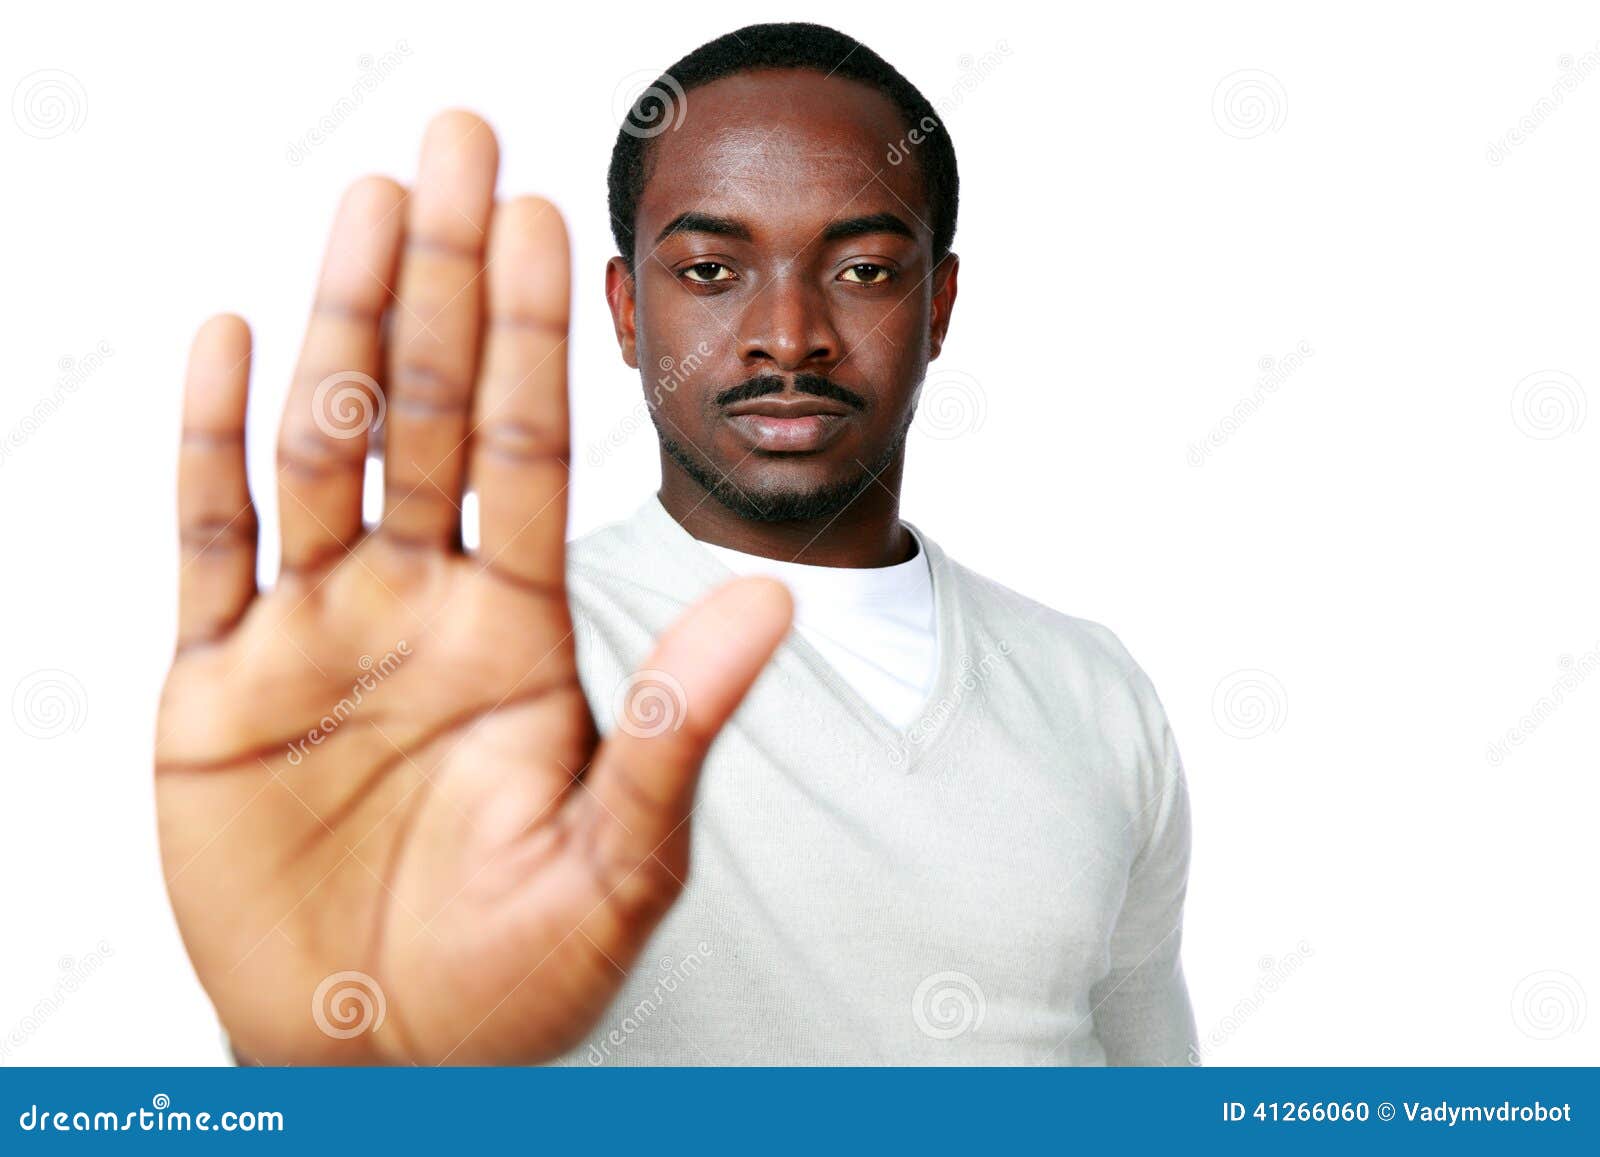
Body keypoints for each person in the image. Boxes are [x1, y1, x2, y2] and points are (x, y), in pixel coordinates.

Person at [155, 21, 1198, 1066]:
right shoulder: (476, 677)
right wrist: (339, 1068)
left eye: (867, 269)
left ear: (939, 305)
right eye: (708, 269)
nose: (787, 336)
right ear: (624, 310)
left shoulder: (1091, 688)